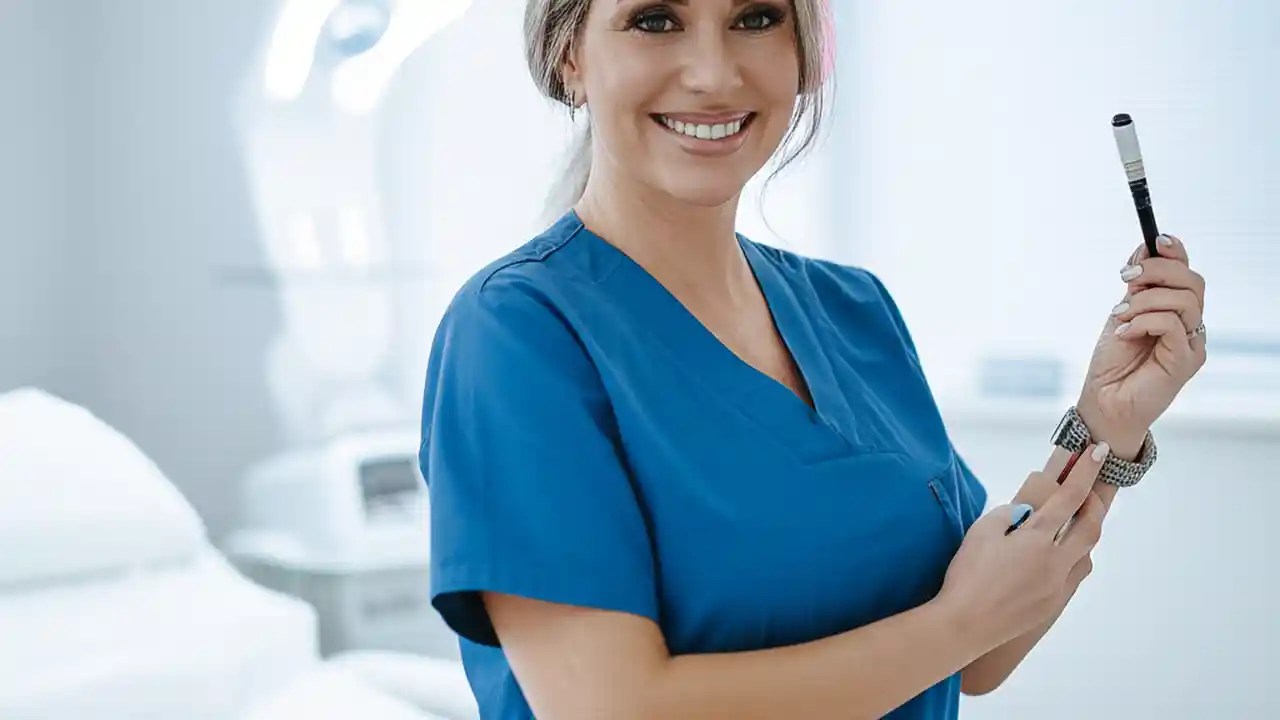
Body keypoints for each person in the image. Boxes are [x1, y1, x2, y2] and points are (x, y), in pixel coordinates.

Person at [417, 1, 1208, 717]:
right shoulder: (516, 334)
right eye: (655, 19)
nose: (714, 72)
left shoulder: (853, 311)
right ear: (570, 56)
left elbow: (982, 650)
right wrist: (956, 624)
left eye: (756, 17)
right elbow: (614, 710)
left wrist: (1108, 425)